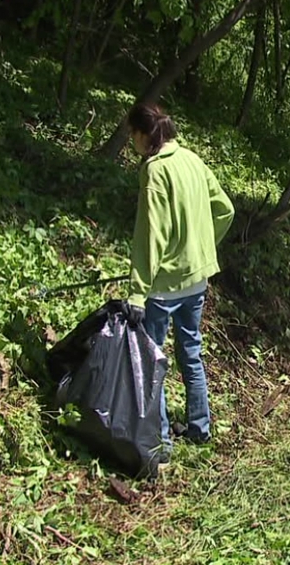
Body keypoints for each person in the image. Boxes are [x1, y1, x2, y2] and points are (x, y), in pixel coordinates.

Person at [124, 103, 235, 456]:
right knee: (191, 352)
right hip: (197, 281)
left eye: (132, 135)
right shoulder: (193, 159)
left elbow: (150, 234)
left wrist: (137, 293)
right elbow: (226, 210)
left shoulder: (155, 171)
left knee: (154, 360)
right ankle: (200, 428)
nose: (131, 142)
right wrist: (201, 247)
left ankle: (161, 441)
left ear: (145, 135)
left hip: (162, 288)